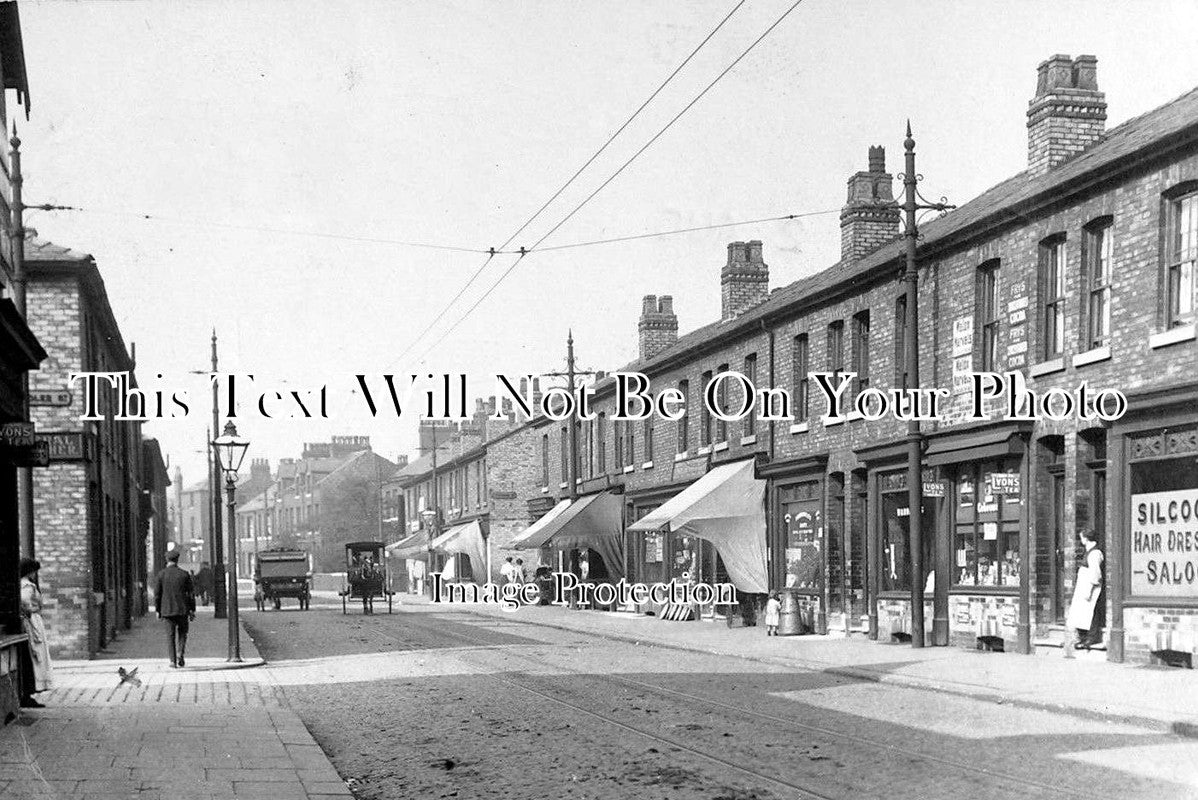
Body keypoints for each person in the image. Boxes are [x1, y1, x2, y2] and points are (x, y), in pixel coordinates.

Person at [19, 558, 52, 708]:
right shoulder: (28, 585)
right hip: (32, 621)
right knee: (36, 656)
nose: (34, 574)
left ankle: (29, 693)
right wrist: (31, 610)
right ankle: (29, 692)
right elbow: (25, 602)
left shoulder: (22, 584)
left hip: (30, 620)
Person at [154, 549, 196, 668]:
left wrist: (158, 610)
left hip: (167, 610)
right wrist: (192, 609)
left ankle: (172, 661)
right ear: (177, 560)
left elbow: (157, 594)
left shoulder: (161, 574)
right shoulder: (184, 574)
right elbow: (191, 594)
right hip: (183, 609)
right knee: (182, 633)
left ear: (167, 560)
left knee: (170, 635)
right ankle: (180, 654)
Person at [1066, 529, 1105, 649]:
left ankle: (1091, 638)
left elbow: (1095, 573)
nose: (1081, 540)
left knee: (1090, 612)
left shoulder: (1094, 553)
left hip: (1090, 587)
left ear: (1086, 539)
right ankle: (1083, 637)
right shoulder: (1088, 552)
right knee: (1081, 613)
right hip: (1083, 587)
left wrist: (1089, 590)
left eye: (1082, 538)